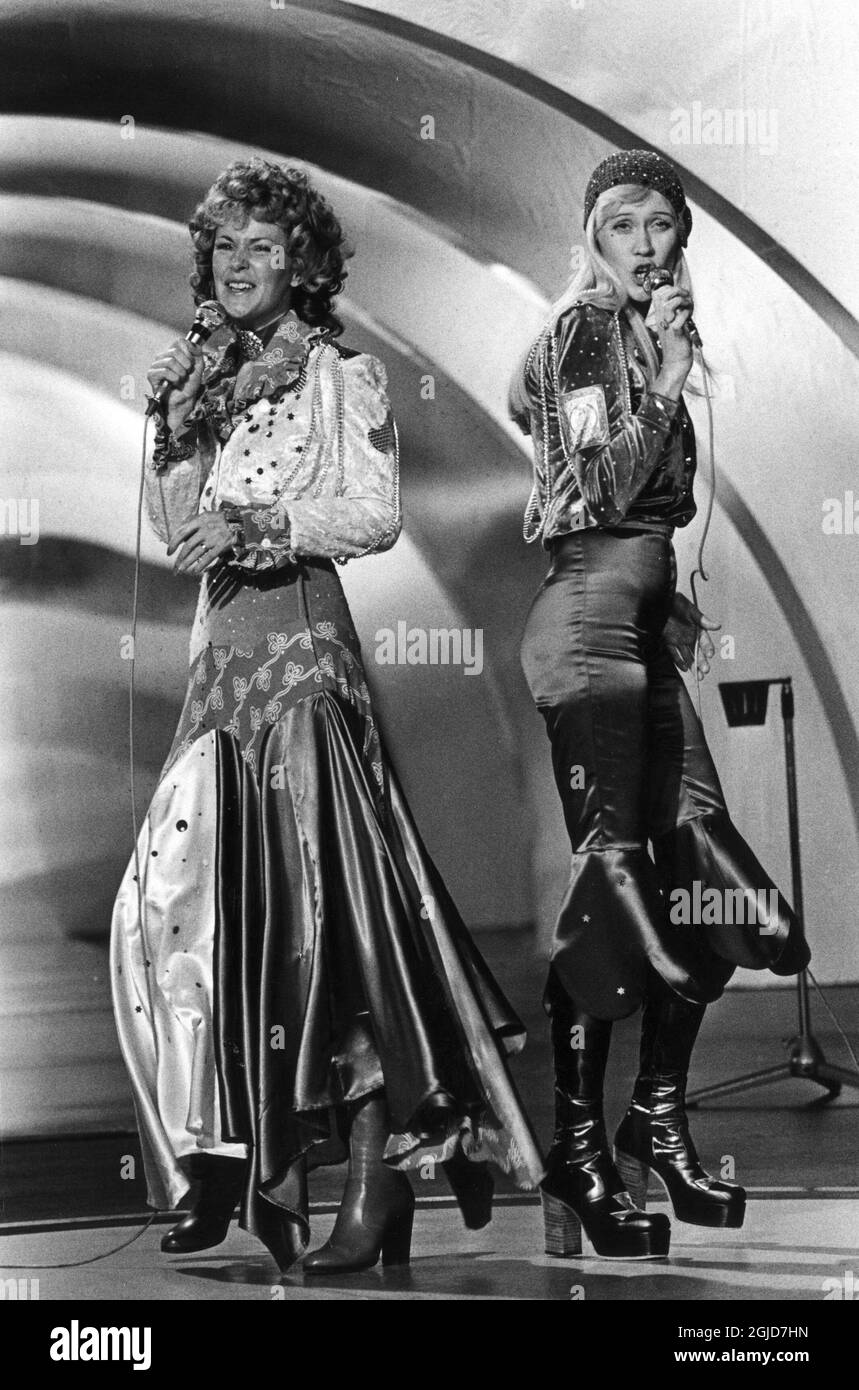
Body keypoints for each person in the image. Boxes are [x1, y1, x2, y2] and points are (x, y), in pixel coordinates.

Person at [111, 156, 543, 1277]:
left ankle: (375, 1174)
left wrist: (251, 523)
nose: (237, 262)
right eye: (224, 245)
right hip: (221, 673)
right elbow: (171, 526)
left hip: (303, 661)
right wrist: (168, 420)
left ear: (303, 264)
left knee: (332, 925)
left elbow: (372, 512)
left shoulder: (339, 376)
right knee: (207, 924)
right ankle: (234, 1168)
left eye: (262, 245)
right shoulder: (203, 383)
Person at [509, 149, 809, 1261]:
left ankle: (656, 1117)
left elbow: (645, 513)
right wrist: (669, 384)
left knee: (710, 886)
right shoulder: (584, 336)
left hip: (638, 637)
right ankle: (578, 1154)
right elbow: (590, 489)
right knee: (619, 886)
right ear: (592, 236)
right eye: (623, 223)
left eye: (662, 226)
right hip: (583, 635)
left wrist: (671, 607)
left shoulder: (645, 339)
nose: (645, 244)